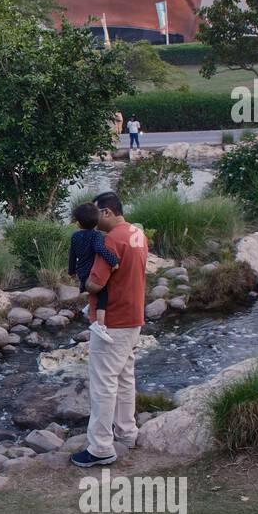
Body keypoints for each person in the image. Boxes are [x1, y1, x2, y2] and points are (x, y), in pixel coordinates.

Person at [71, 192, 148, 468]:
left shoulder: (111, 240)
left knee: (103, 385)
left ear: (106, 212)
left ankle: (101, 447)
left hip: (112, 322)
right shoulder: (137, 233)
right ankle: (127, 433)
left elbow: (96, 283)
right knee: (125, 378)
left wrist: (84, 282)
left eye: (95, 210)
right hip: (134, 316)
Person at [69, 201, 120, 342]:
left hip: (82, 272)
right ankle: (100, 325)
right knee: (103, 294)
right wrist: (113, 260)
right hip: (92, 272)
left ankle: (88, 308)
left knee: (92, 291)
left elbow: (72, 255)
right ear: (98, 220)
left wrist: (71, 271)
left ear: (79, 223)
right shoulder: (97, 235)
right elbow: (99, 249)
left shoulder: (75, 236)